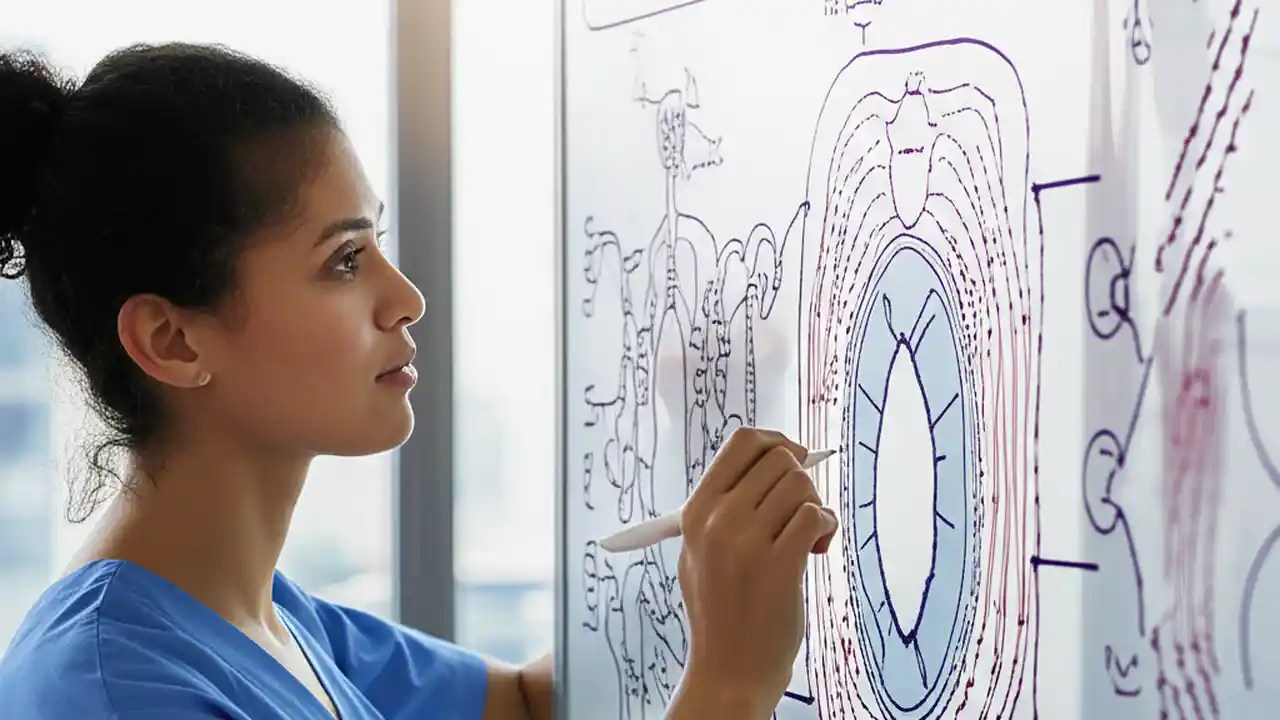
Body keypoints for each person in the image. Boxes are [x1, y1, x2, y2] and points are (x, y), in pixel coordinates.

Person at [0, 43, 839, 719]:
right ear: (173, 340)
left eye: (381, 244)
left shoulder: (273, 622)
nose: (406, 297)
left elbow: (524, 705)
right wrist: (730, 690)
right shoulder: (107, 690)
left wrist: (706, 483)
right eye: (344, 260)